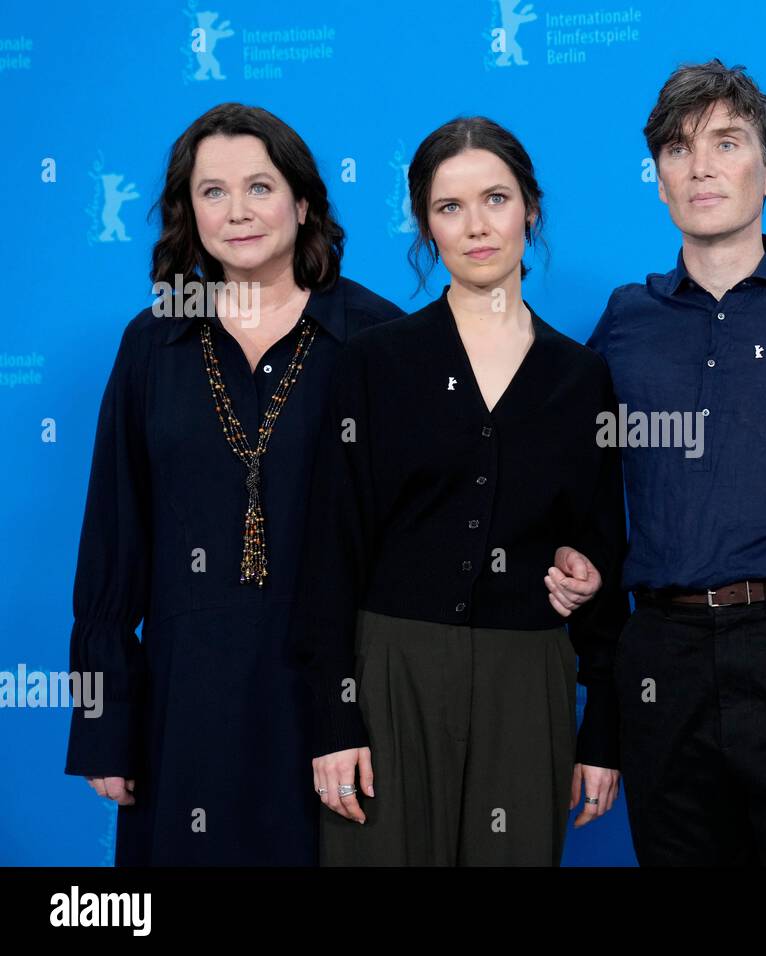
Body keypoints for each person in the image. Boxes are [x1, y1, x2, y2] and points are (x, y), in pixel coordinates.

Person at [64, 102, 404, 864]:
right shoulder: (153, 342)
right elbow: (111, 545)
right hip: (187, 705)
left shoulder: (380, 339)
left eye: (259, 186)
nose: (238, 212)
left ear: (303, 200)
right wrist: (101, 725)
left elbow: (420, 532)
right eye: (212, 192)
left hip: (342, 709)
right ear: (189, 213)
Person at [293, 116, 626, 866]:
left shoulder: (582, 378)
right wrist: (333, 720)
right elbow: (329, 549)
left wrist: (602, 727)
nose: (476, 226)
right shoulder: (376, 363)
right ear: (425, 226)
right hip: (388, 678)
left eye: (497, 199)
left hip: (528, 678)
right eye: (450, 207)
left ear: (530, 208)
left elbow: (605, 557)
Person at [583, 59, 766, 865]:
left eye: (726, 142)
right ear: (658, 179)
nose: (702, 166)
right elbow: (575, 470)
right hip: (662, 657)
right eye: (678, 150)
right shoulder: (626, 318)